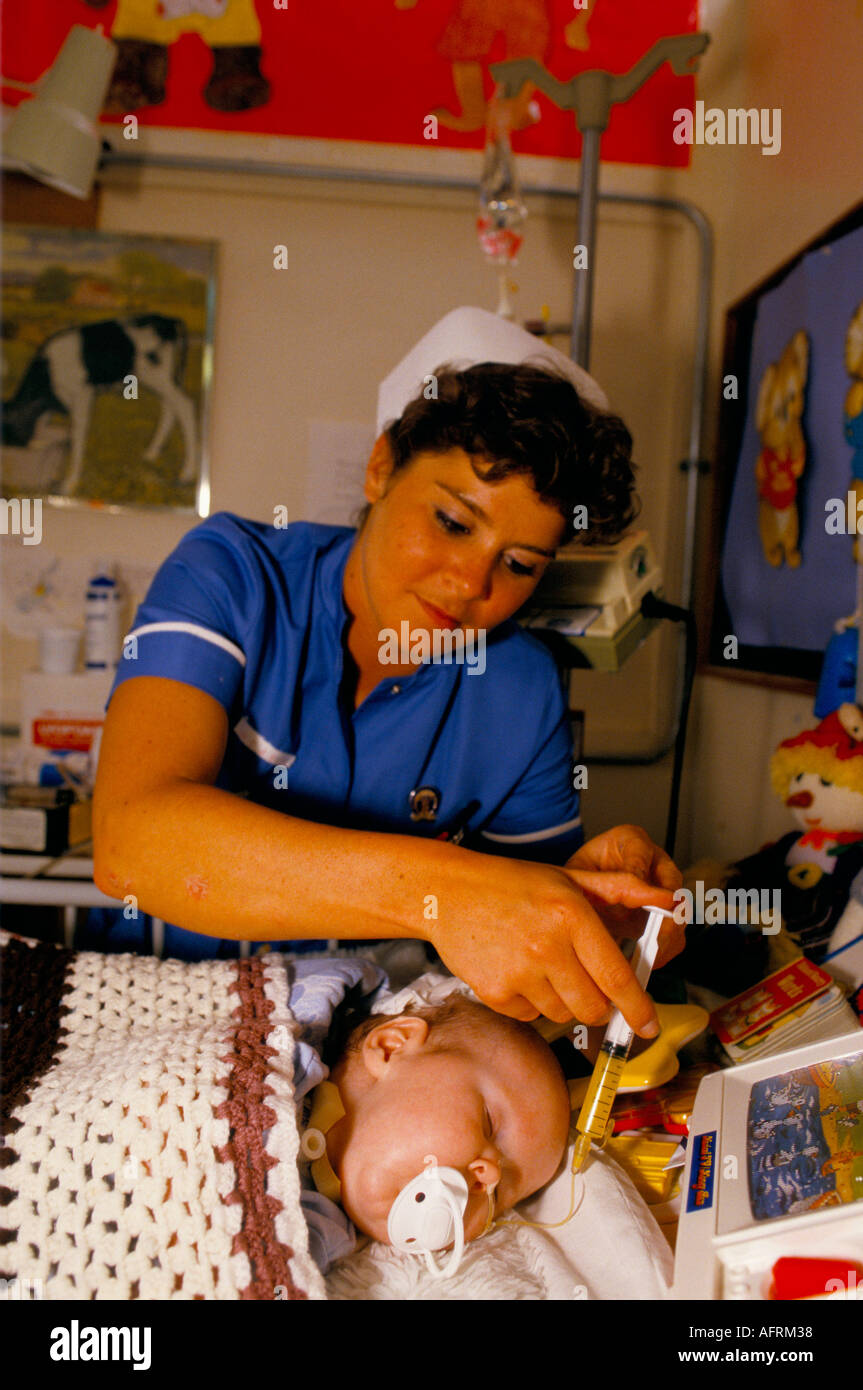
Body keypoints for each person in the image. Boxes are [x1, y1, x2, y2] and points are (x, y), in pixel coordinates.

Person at [93, 307, 683, 1035]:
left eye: (520, 564)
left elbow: (523, 938)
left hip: (369, 1058)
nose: (470, 583)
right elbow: (132, 844)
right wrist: (449, 892)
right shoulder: (234, 578)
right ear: (380, 468)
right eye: (452, 522)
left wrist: (589, 904)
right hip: (153, 1017)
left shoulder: (519, 691)